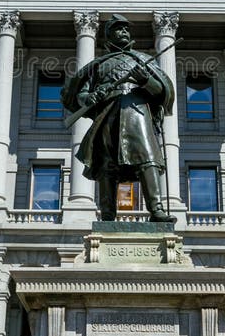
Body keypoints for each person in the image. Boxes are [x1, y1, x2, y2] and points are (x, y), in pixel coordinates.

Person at [61, 15, 175, 222]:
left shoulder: (140, 59)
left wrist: (146, 80)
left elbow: (161, 92)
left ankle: (156, 210)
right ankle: (107, 215)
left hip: (137, 113)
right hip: (107, 115)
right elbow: (81, 95)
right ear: (109, 34)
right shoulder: (97, 65)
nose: (124, 32)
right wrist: (90, 98)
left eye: (126, 29)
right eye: (118, 29)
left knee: (149, 159)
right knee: (107, 166)